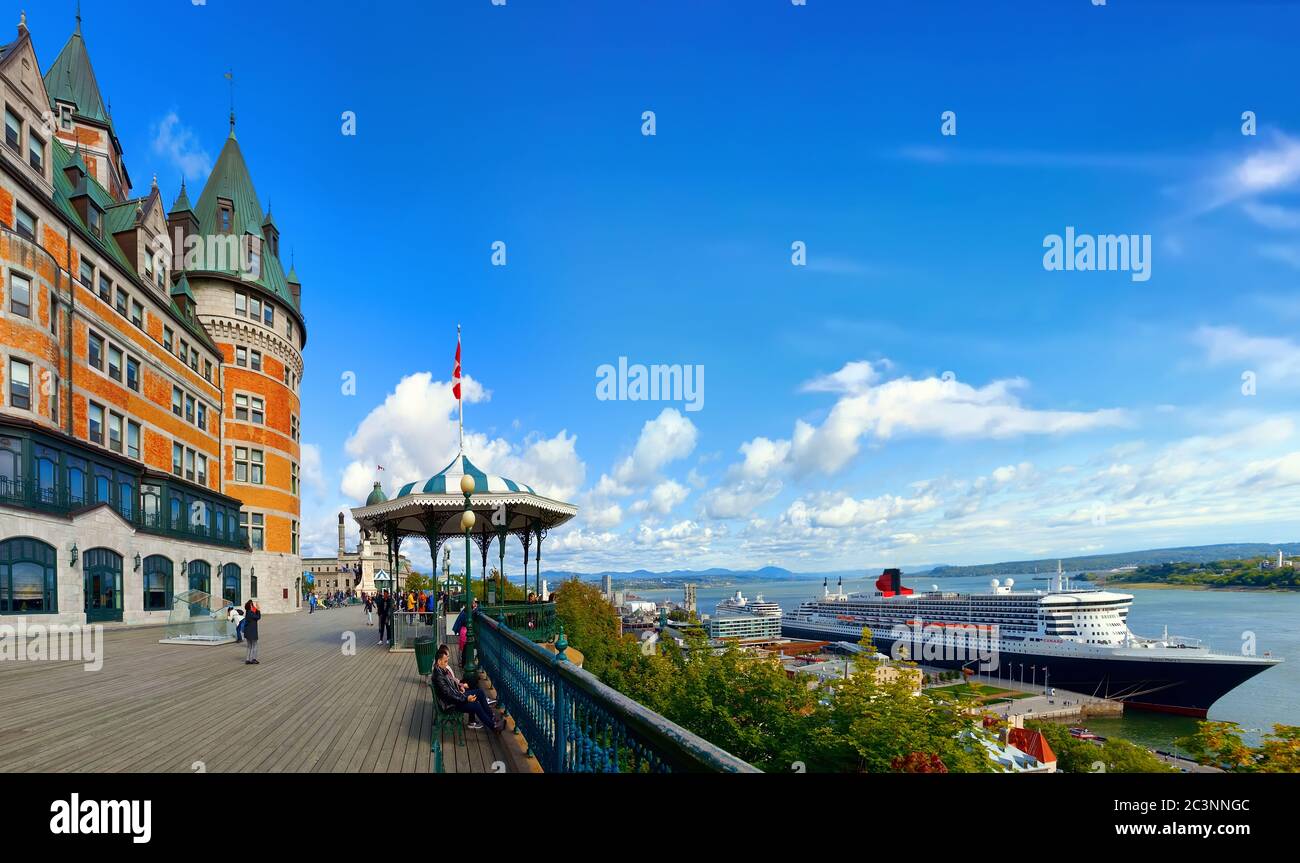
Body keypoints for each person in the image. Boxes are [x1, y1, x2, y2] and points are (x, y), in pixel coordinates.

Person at [432, 645, 500, 731]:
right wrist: (466, 698)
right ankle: (493, 726)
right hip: (452, 704)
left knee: (480, 692)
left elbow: (450, 691)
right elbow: (449, 695)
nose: (447, 664)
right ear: (439, 661)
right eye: (445, 661)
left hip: (455, 698)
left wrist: (460, 691)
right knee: (476, 705)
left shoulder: (440, 671)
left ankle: (491, 717)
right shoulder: (439, 677)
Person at [243, 600, 261, 664]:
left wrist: (256, 608)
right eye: (251, 605)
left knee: (249, 646)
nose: (252, 606)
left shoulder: (248, 612)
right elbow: (258, 617)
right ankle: (253, 659)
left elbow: (254, 614)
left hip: (248, 632)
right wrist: (258, 609)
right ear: (250, 606)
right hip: (252, 632)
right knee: (254, 645)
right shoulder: (250, 613)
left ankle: (248, 659)